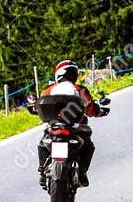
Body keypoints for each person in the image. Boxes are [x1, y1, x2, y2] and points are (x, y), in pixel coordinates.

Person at [31, 58, 106, 187]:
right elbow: (91, 108)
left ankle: (42, 171)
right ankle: (82, 171)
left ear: (58, 74)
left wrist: (34, 108)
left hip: (54, 126)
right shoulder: (80, 90)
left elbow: (38, 105)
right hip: (75, 126)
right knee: (88, 145)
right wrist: (99, 111)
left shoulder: (48, 90)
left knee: (42, 143)